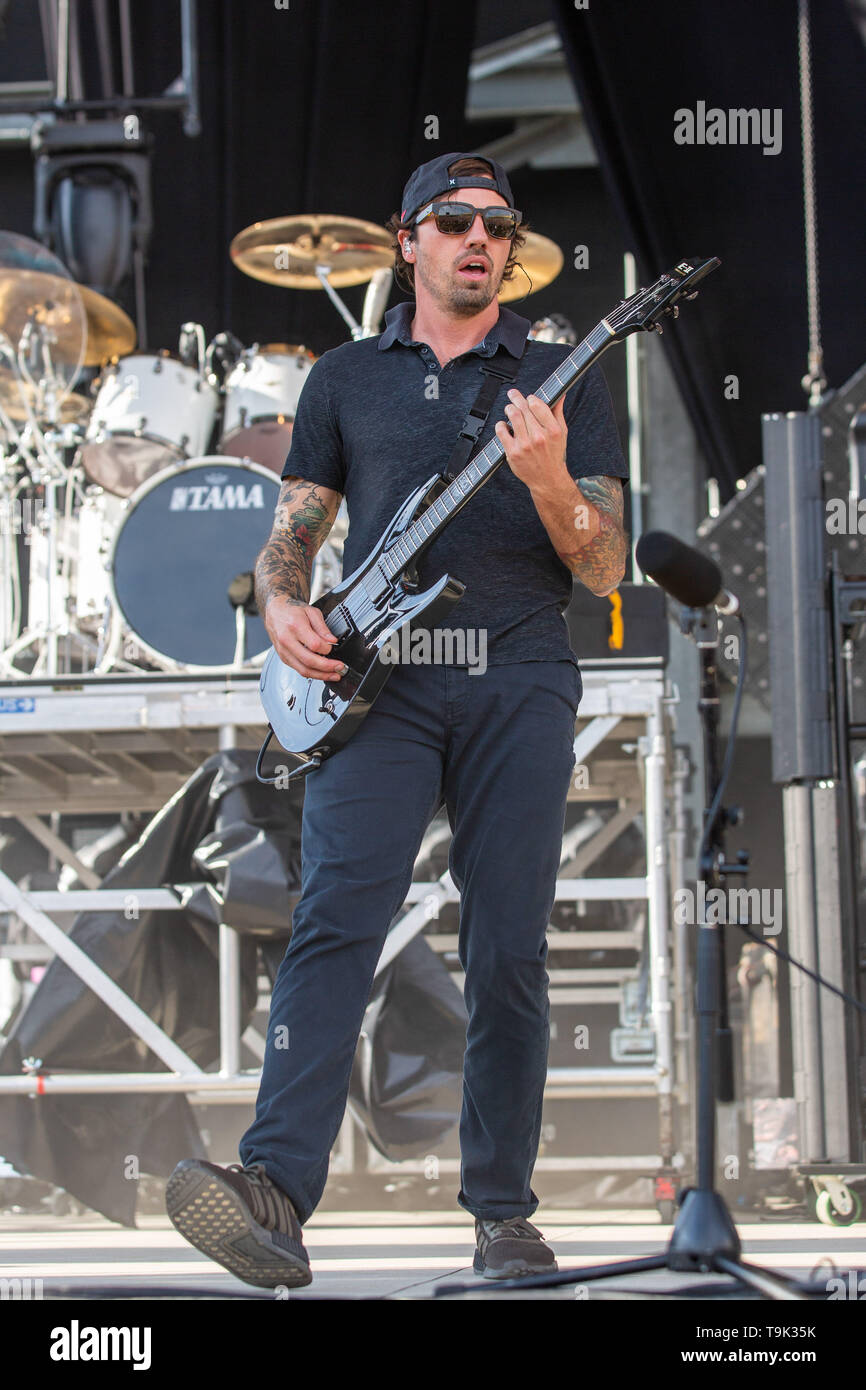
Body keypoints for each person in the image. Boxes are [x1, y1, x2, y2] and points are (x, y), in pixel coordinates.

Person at [166, 152, 629, 1288]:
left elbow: (607, 563)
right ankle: (273, 1190)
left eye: (498, 226)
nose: (480, 238)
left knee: (507, 944)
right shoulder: (344, 379)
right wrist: (281, 605)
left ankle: (503, 1217)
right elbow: (294, 533)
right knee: (334, 920)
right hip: (378, 683)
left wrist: (553, 481)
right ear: (406, 241)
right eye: (454, 221)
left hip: (519, 672)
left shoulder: (563, 373)